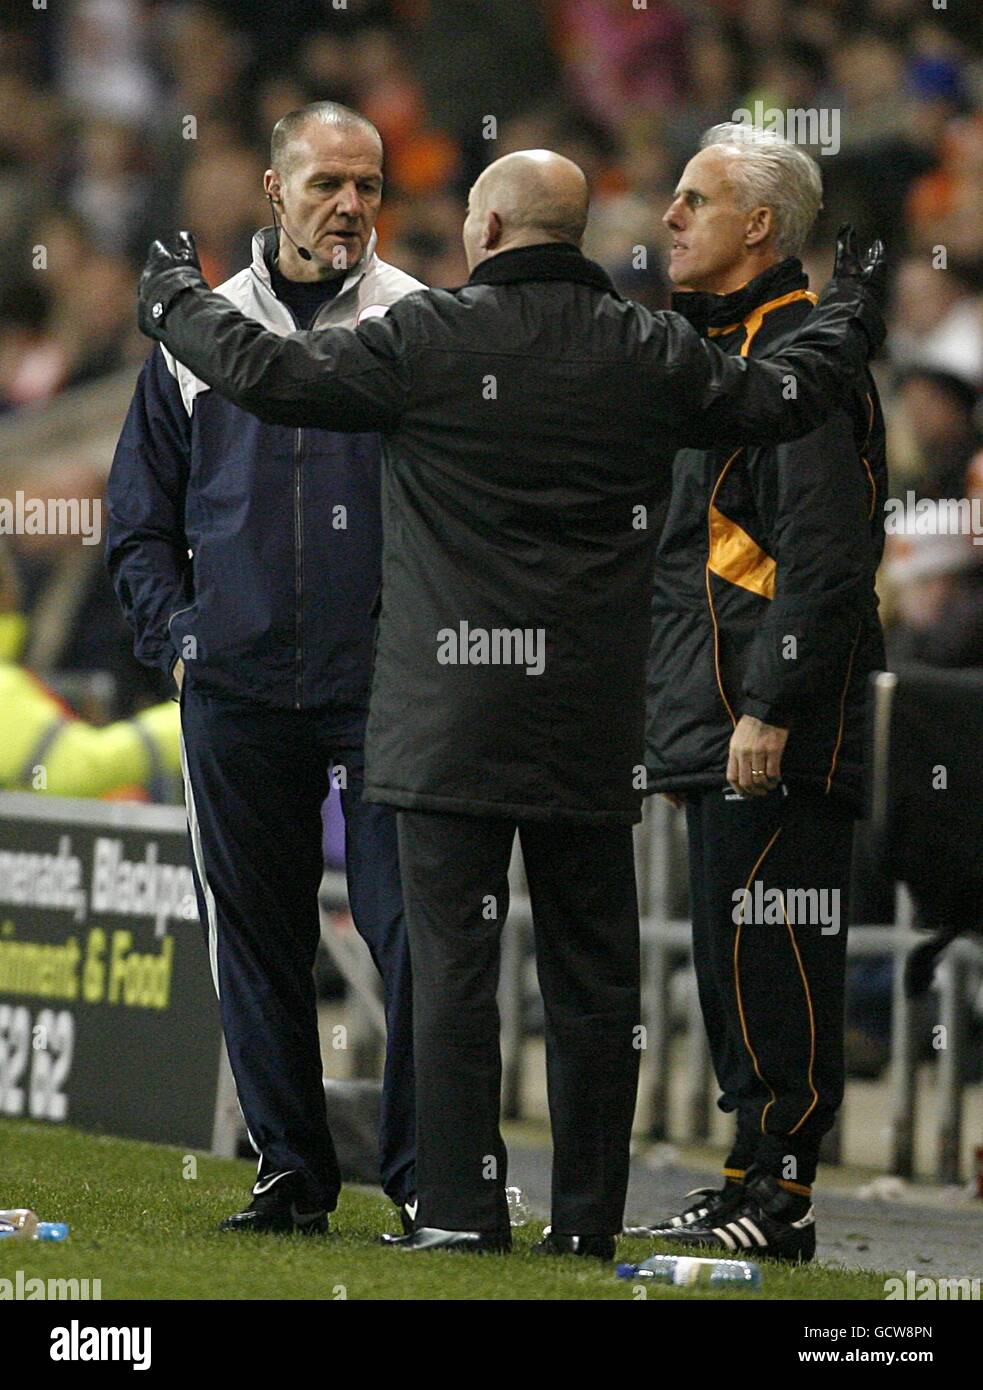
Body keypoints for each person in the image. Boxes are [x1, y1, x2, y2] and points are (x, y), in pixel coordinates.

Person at [135, 147, 885, 1257]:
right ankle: (583, 1225)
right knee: (594, 982)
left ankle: (457, 1211)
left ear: (484, 231)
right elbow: (786, 393)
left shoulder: (427, 336)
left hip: (446, 720)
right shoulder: (649, 348)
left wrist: (172, 300)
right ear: (574, 236)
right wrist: (852, 313)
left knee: (450, 973)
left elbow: (268, 373)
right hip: (590, 722)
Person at [107, 102, 424, 1237]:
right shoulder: (195, 336)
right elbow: (138, 522)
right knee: (255, 938)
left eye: (368, 186)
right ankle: (291, 1172)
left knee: (412, 931)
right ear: (275, 192)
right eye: (327, 183)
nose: (349, 205)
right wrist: (182, 641)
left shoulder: (416, 321)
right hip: (237, 686)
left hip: (384, 687)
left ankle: (424, 1179)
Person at [636, 124, 887, 1261]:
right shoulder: (722, 358)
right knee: (732, 963)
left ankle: (780, 1195)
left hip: (772, 723)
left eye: (695, 200)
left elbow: (824, 558)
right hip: (718, 715)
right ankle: (745, 1178)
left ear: (759, 226)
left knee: (775, 961)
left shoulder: (796, 365)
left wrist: (769, 707)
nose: (669, 217)